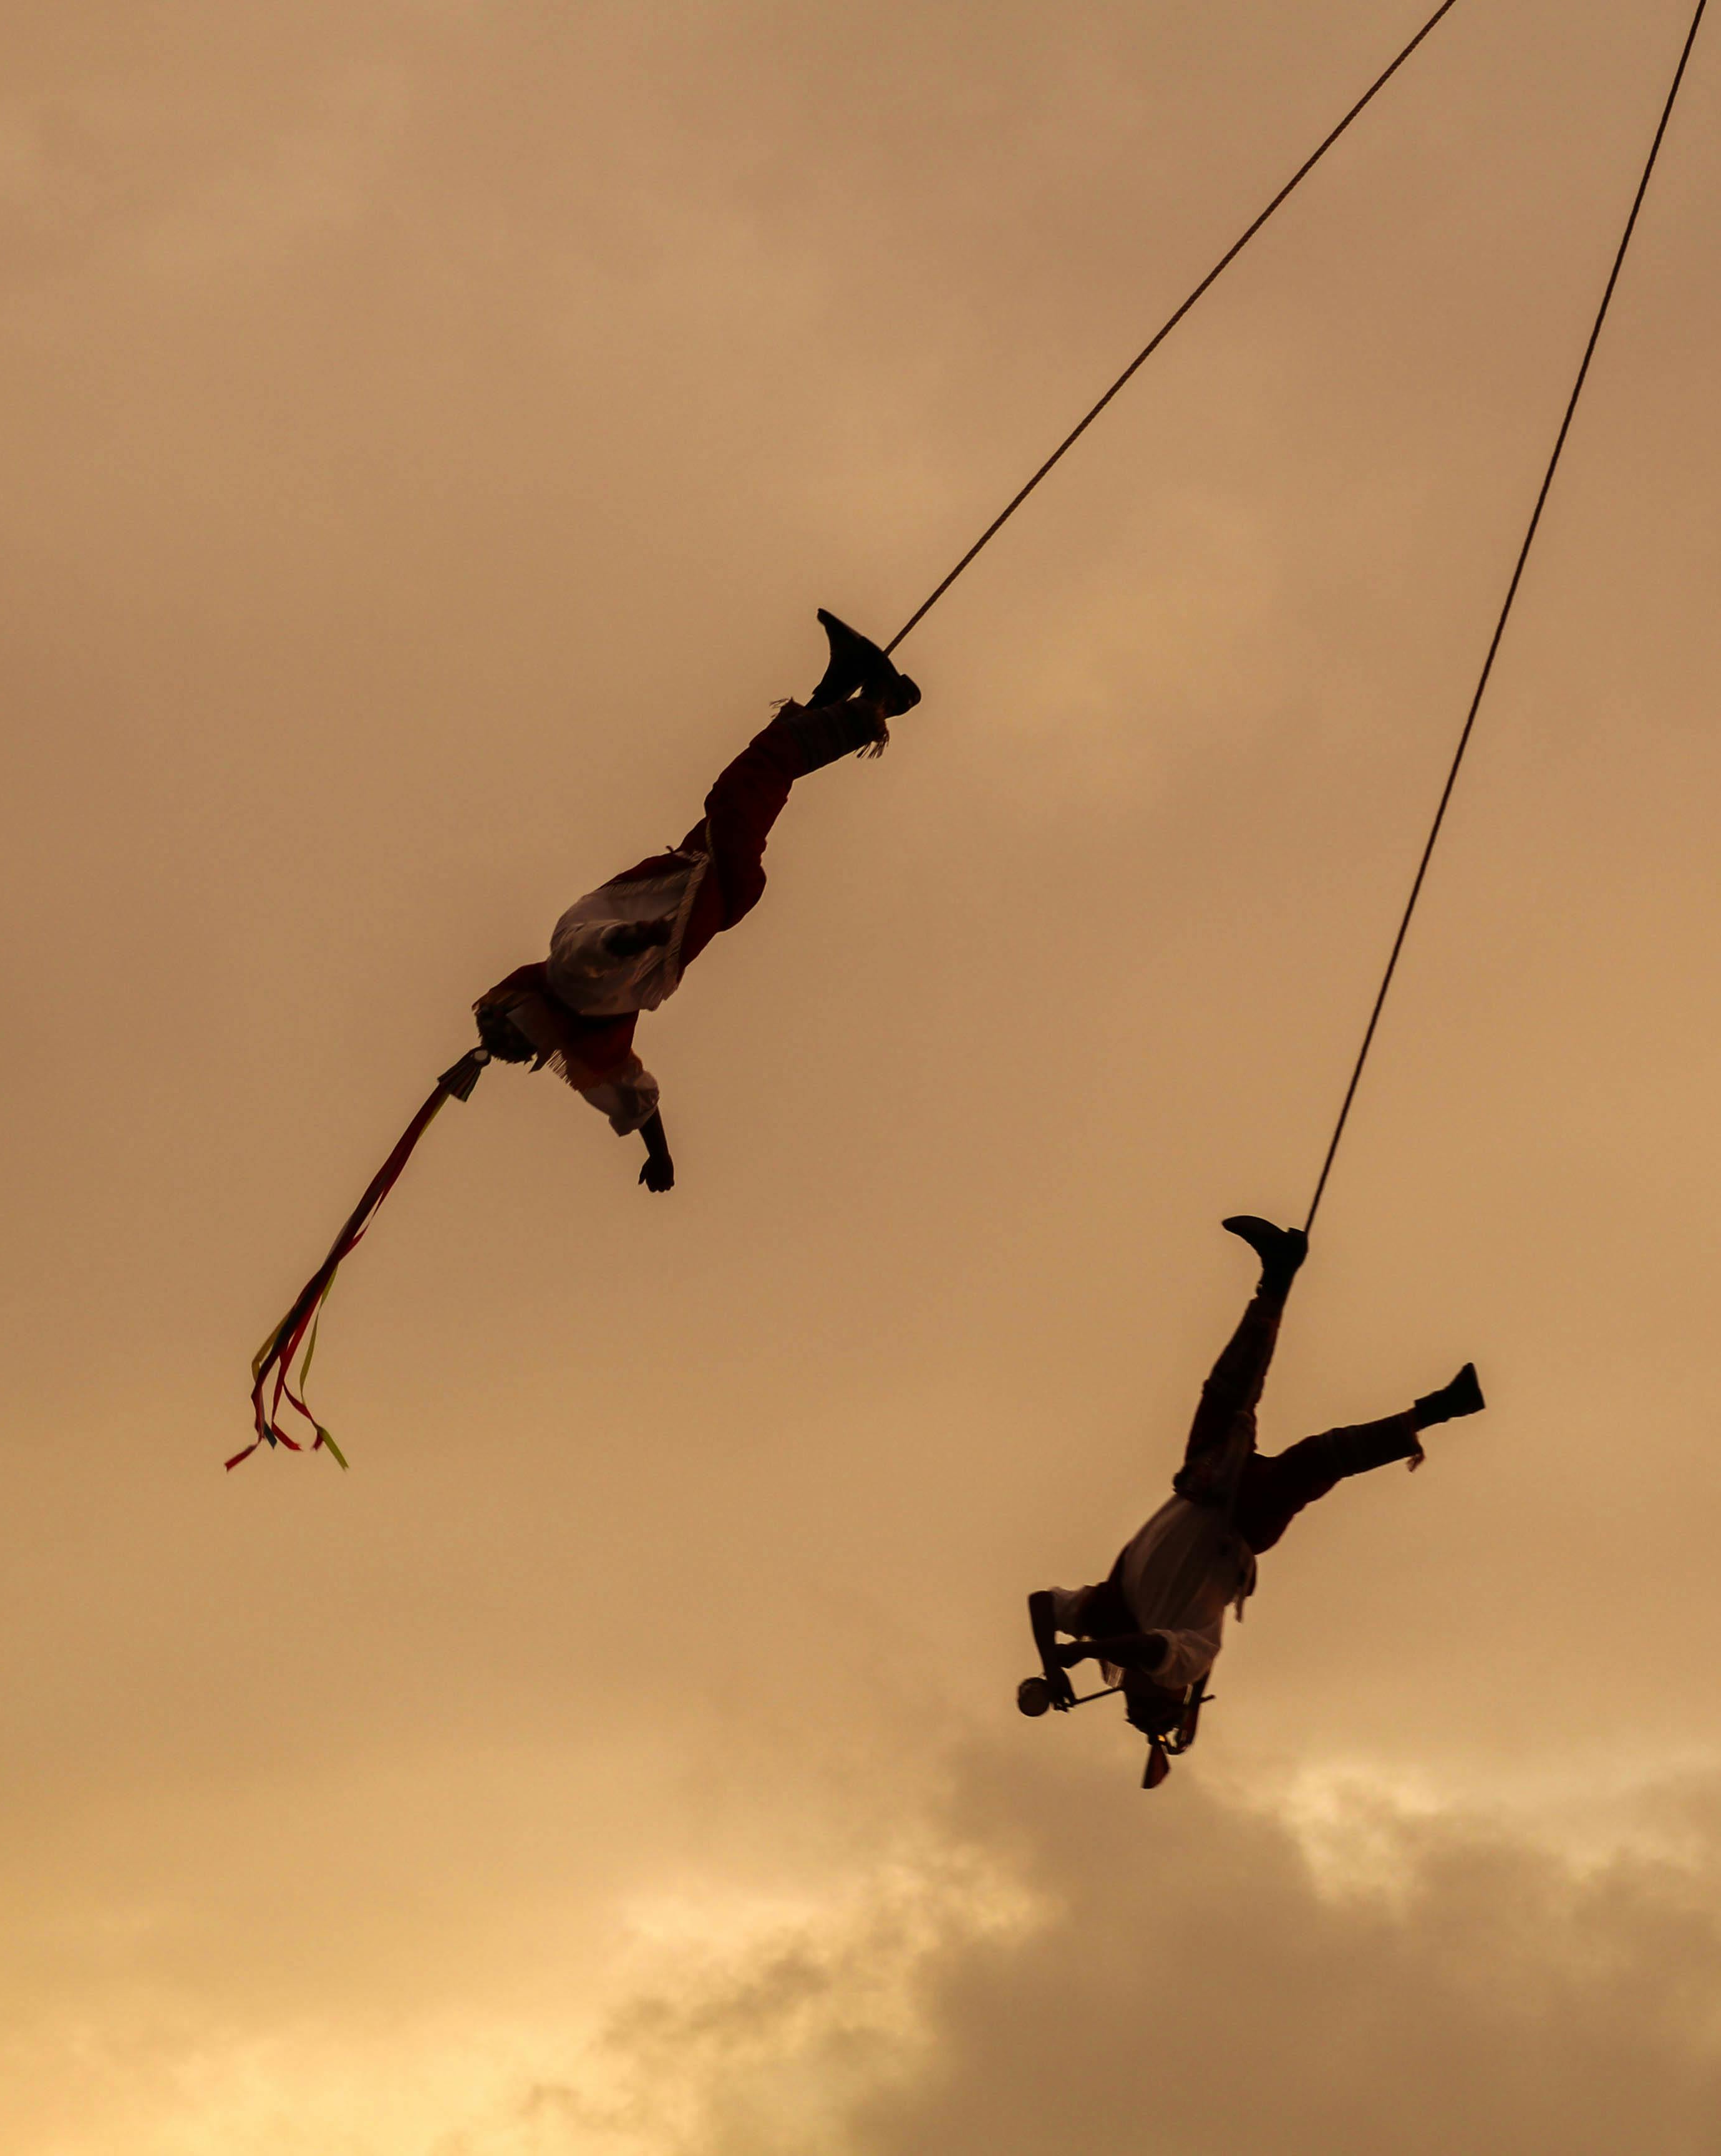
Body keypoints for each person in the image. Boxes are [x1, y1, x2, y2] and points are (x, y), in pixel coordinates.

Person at [1023, 1216, 1488, 1785]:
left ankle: (1277, 1274)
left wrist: (1055, 1661)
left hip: (1201, 1482)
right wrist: (1074, 1657)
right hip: (1239, 1528)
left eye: (1134, 1710)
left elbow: (1040, 1603)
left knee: (1229, 1386)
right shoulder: (1191, 1656)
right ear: (1176, 1697)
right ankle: (1444, 1407)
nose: (1139, 1701)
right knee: (1324, 1457)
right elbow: (1150, 1647)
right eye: (1153, 1708)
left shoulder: (1101, 1617)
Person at [469, 613, 919, 1191]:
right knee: (744, 784)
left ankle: (837, 686)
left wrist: (659, 1157)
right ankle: (879, 703)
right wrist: (641, 936)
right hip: (704, 882)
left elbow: (636, 1104)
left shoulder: (592, 1050)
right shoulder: (566, 980)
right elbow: (597, 950)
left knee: (762, 776)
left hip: (706, 889)